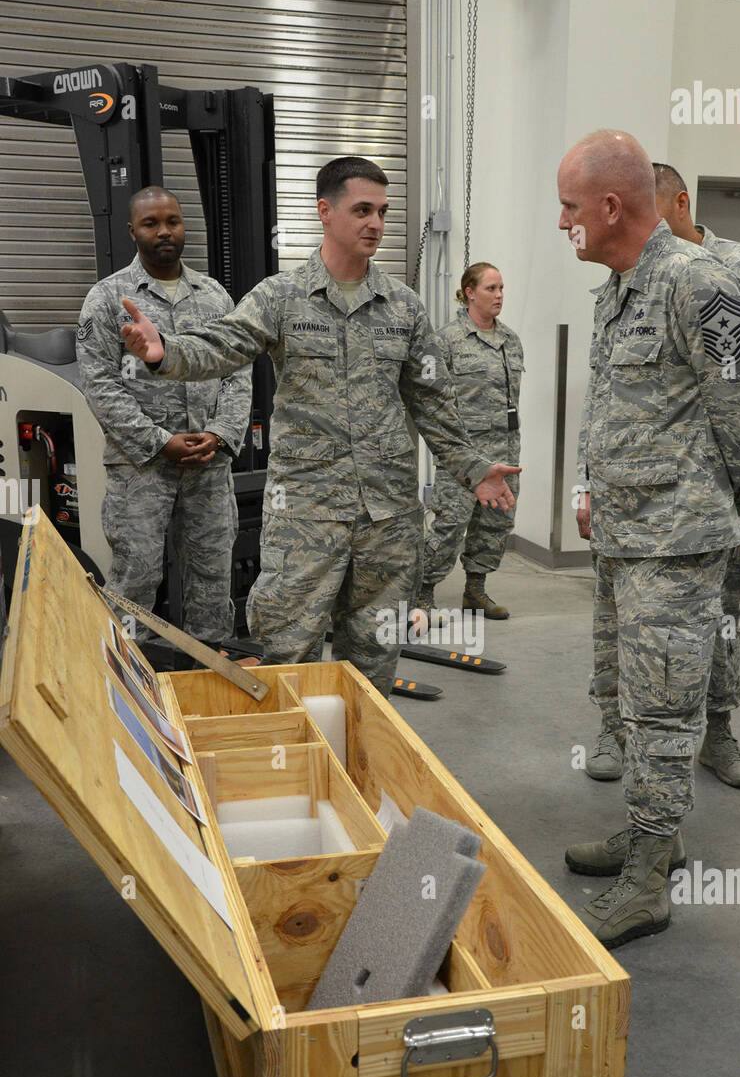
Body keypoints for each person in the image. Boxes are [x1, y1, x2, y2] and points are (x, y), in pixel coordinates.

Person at [118, 157, 519, 696]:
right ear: (325, 212)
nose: (375, 223)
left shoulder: (404, 307)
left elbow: (432, 402)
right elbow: (223, 344)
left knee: (375, 657)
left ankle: (362, 746)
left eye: (382, 211)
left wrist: (474, 468)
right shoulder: (281, 296)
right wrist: (164, 351)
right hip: (307, 515)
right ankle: (299, 748)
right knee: (289, 651)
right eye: (362, 210)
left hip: (387, 519)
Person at [559, 130, 740, 949]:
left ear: (610, 206)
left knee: (662, 706)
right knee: (625, 694)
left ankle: (649, 877)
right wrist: (590, 486)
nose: (563, 222)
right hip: (624, 537)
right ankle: (653, 834)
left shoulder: (699, 283)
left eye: (569, 208)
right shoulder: (617, 290)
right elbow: (609, 406)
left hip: (677, 544)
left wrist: (735, 497)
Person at [580, 163, 740, 788]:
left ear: (678, 203)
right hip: (631, 504)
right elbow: (602, 395)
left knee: (717, 621)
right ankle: (615, 728)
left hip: (707, 501)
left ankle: (719, 730)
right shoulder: (622, 281)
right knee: (618, 623)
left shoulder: (736, 269)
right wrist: (586, 483)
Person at [76, 186, 251, 643]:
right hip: (141, 469)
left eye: (172, 221)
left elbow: (237, 372)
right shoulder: (108, 298)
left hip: (208, 465)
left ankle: (207, 669)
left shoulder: (214, 296)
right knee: (135, 578)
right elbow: (99, 384)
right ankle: (122, 673)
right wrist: (159, 442)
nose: (164, 231)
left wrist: (221, 434)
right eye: (151, 223)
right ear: (132, 230)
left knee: (213, 578)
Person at [418, 263, 524, 620]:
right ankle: (422, 592)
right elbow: (433, 403)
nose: (499, 295)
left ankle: (475, 591)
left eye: (501, 288)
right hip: (462, 458)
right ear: (469, 293)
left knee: (494, 527)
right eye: (491, 288)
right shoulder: (445, 341)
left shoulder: (511, 340)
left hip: (504, 453)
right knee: (449, 526)